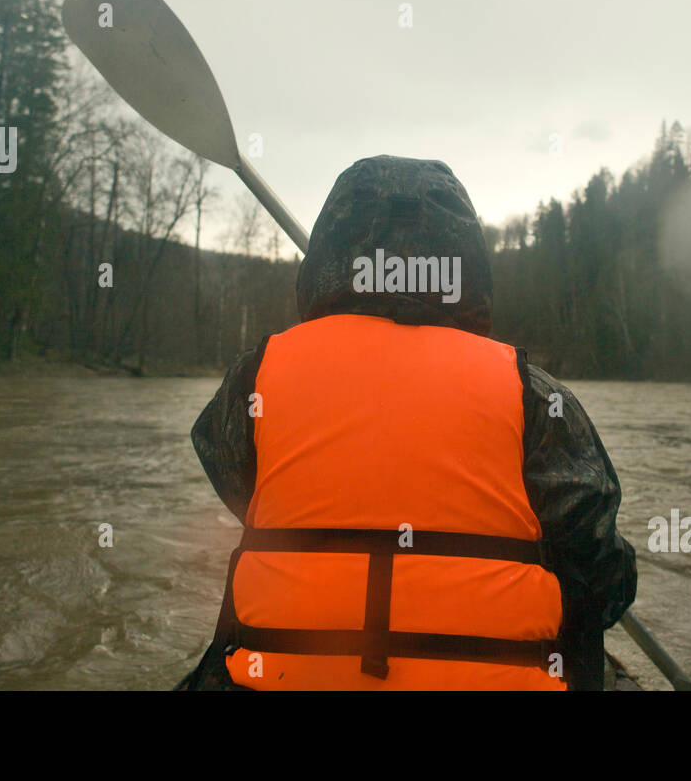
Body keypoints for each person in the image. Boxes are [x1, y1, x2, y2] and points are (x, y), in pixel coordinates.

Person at [176, 155, 636, 691]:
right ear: (466, 265)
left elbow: (247, 497)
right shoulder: (534, 395)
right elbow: (605, 581)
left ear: (330, 252)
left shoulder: (253, 381)